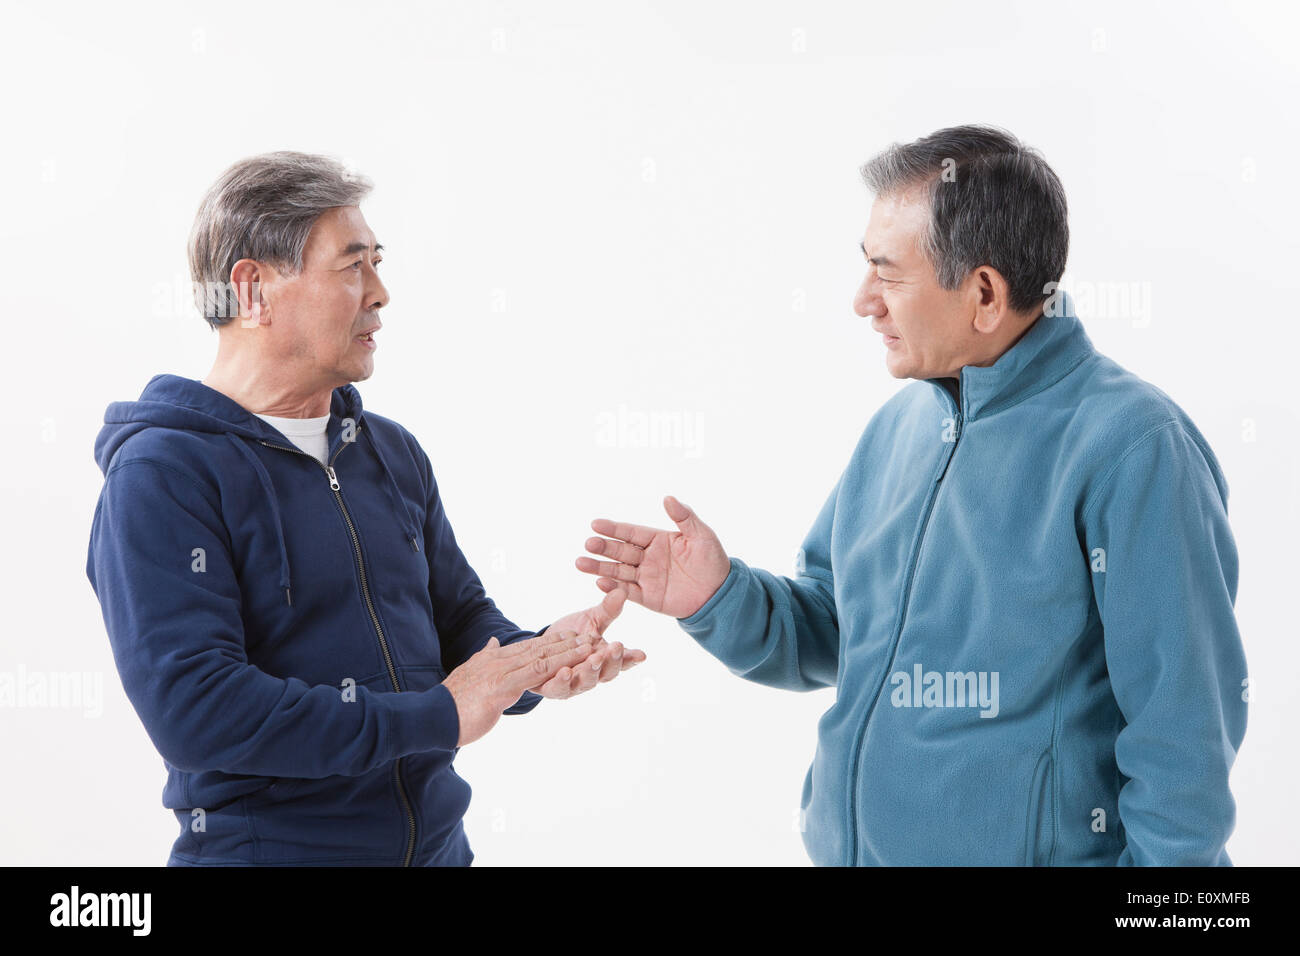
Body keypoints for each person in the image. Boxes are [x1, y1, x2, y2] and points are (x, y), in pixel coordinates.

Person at [578, 125, 1249, 866]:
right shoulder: (900, 427)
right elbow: (836, 631)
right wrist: (719, 597)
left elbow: (1183, 750)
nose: (862, 301)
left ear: (984, 294)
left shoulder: (1135, 450)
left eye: (887, 274)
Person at [86, 151, 643, 866]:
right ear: (251, 290)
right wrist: (437, 714)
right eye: (352, 266)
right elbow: (200, 712)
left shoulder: (388, 451)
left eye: (377, 262)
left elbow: (459, 620)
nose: (380, 293)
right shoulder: (162, 475)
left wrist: (535, 661)